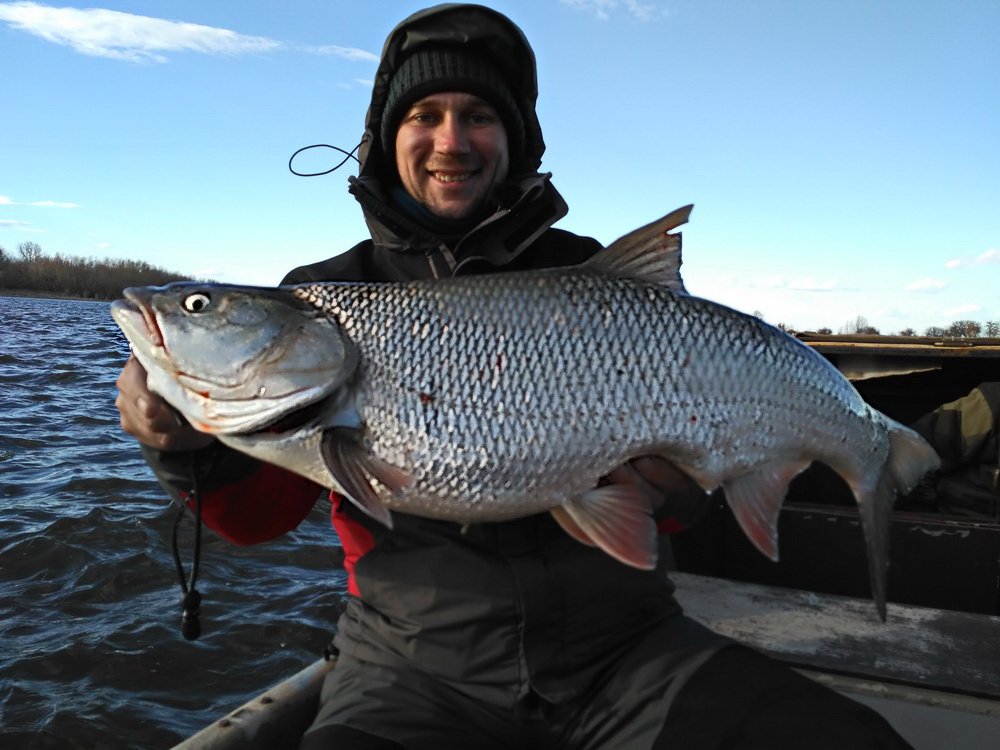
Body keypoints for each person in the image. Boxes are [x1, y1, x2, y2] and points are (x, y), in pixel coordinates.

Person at [116, 5, 912, 748]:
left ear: (517, 138)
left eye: (480, 116)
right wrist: (184, 445)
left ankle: (874, 453)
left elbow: (663, 517)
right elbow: (257, 522)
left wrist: (672, 491)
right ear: (384, 138)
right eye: (424, 116)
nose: (450, 140)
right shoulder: (327, 289)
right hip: (411, 669)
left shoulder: (589, 276)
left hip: (625, 652)